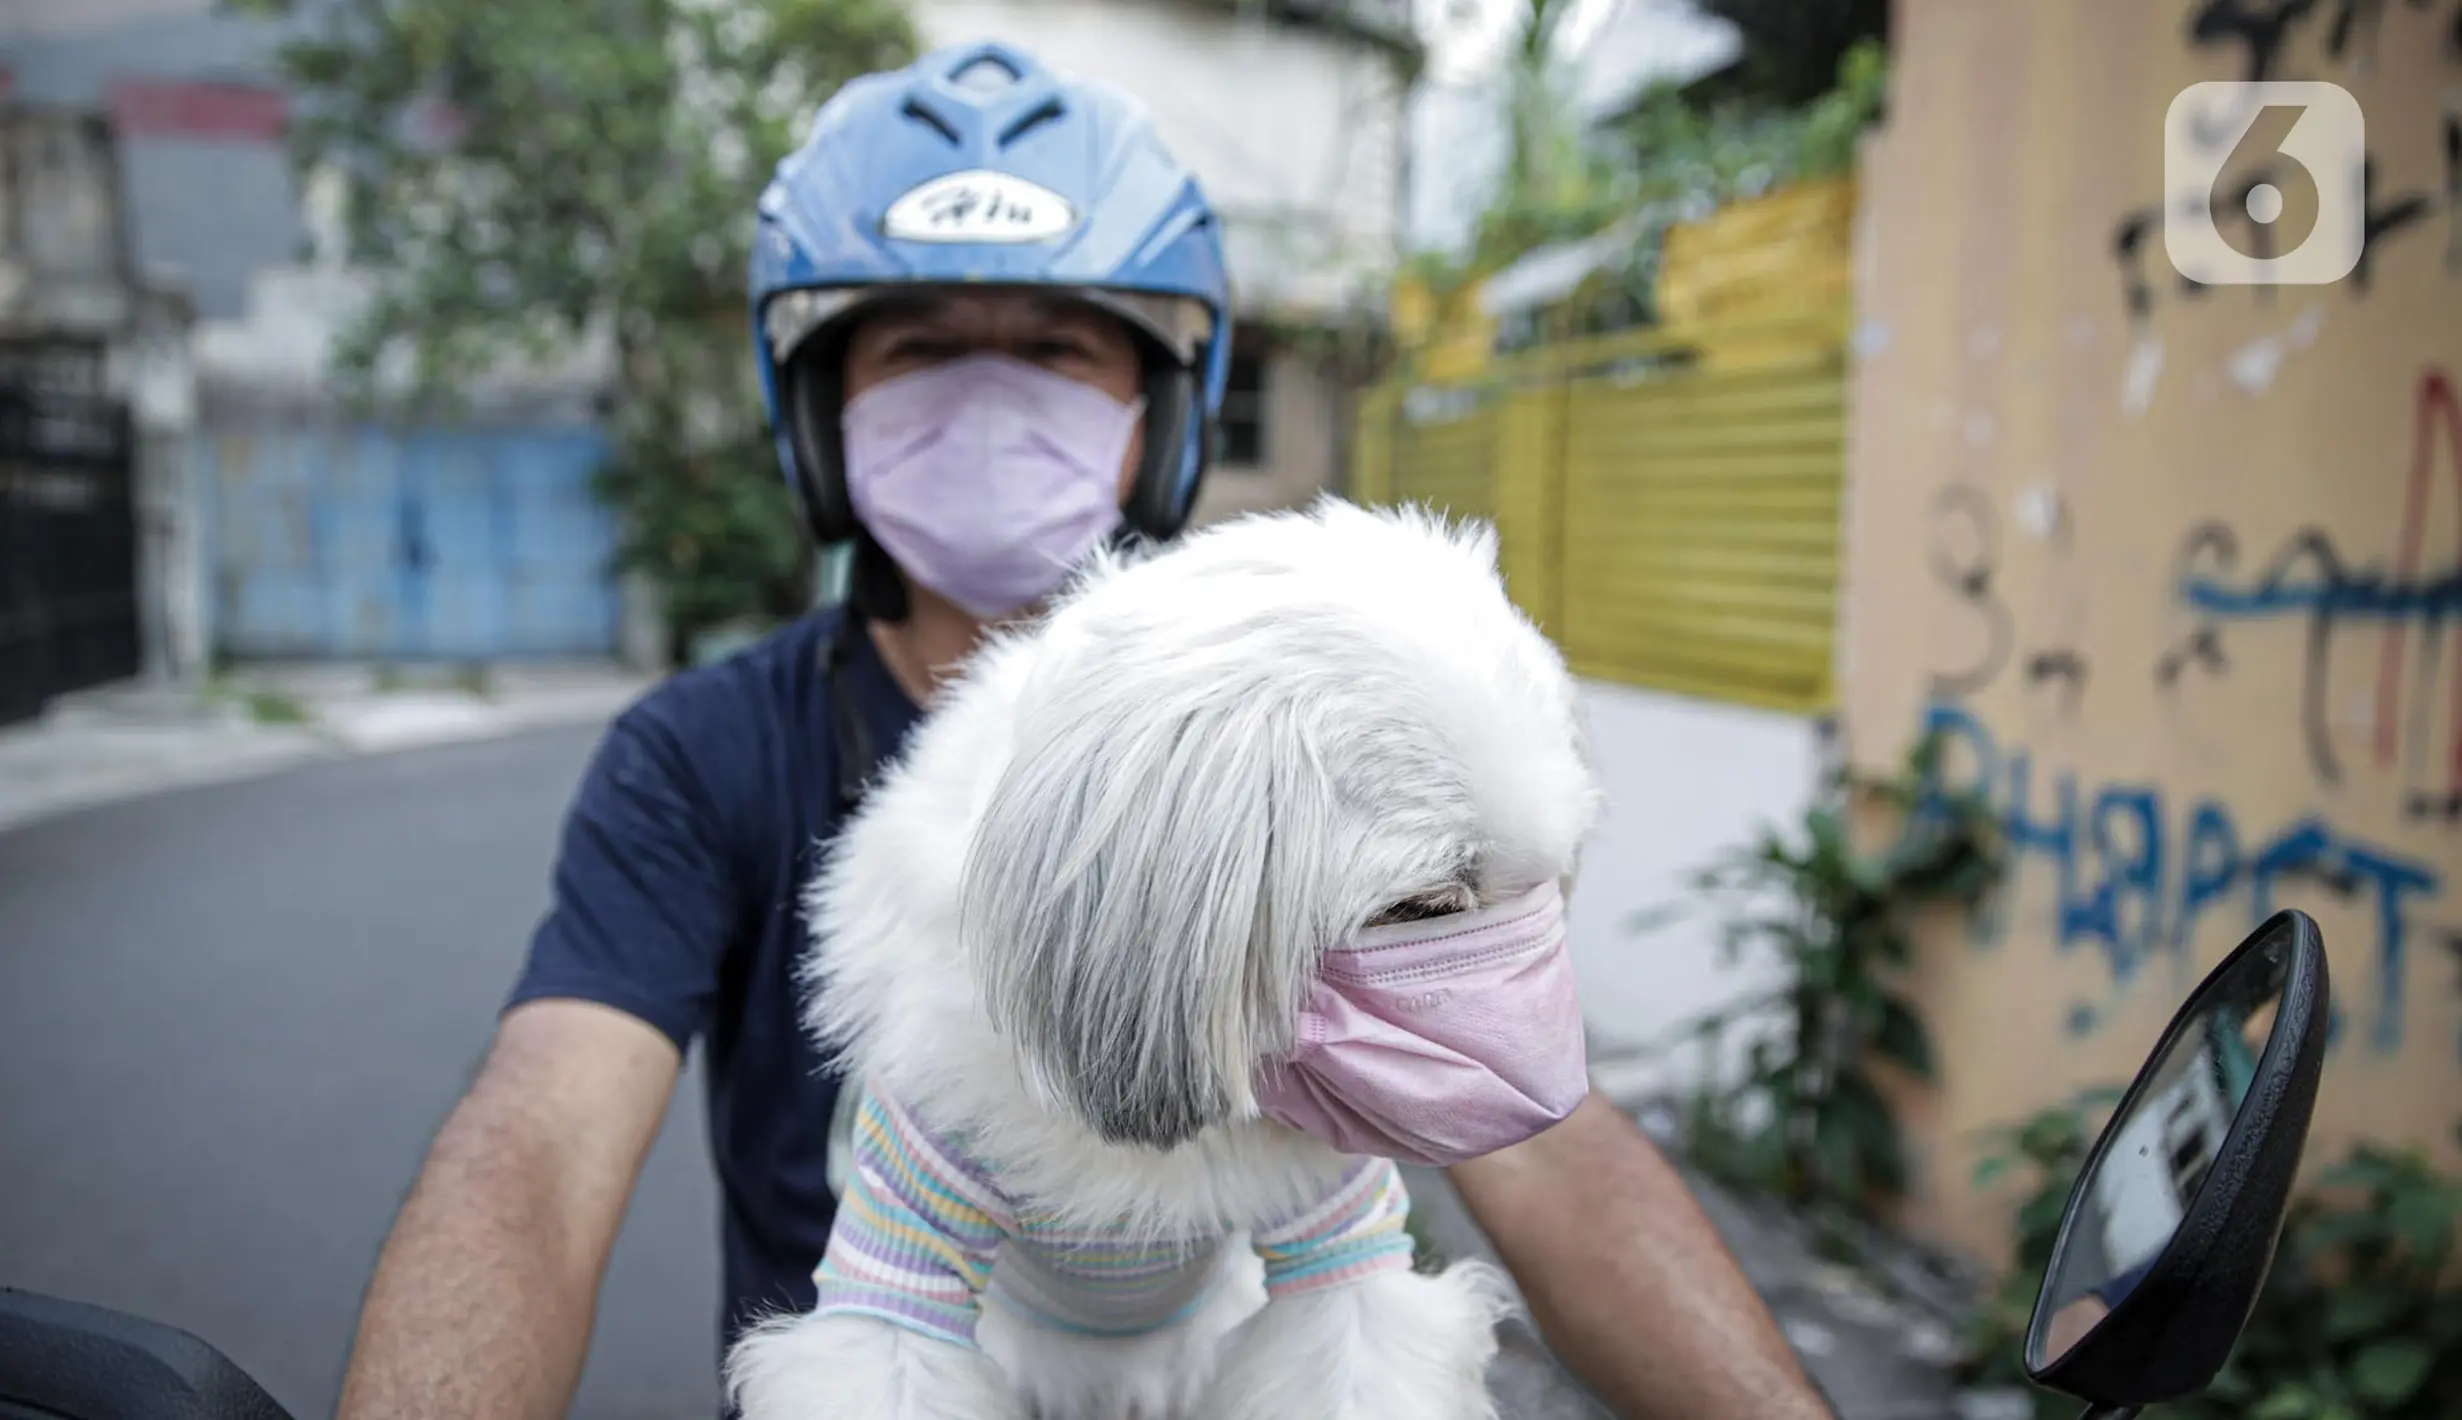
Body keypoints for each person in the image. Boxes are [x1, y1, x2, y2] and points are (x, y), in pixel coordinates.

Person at [333, 39, 1834, 1420]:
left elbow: (1543, 1148)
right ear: (821, 408)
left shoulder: (1314, 734)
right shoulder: (701, 751)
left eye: (1058, 349)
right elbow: (541, 1138)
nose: (990, 397)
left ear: (1152, 413)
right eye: (917, 348)